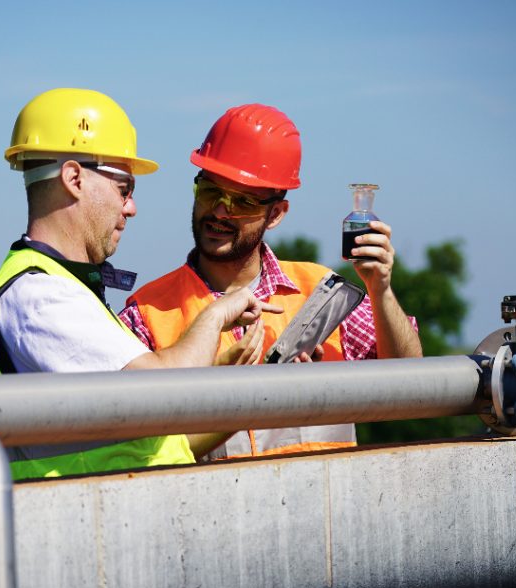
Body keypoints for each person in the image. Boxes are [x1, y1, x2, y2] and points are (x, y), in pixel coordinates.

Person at [0, 88, 272, 480]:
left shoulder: (63, 288)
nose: (130, 207)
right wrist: (214, 315)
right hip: (82, 526)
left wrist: (238, 387)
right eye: (124, 189)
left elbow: (160, 444)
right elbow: (163, 392)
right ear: (74, 178)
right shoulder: (39, 298)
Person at [120, 103, 423, 460]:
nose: (220, 211)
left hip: (323, 508)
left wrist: (380, 289)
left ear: (275, 214)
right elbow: (131, 442)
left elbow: (412, 383)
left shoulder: (322, 291)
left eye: (242, 202)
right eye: (210, 192)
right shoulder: (146, 313)